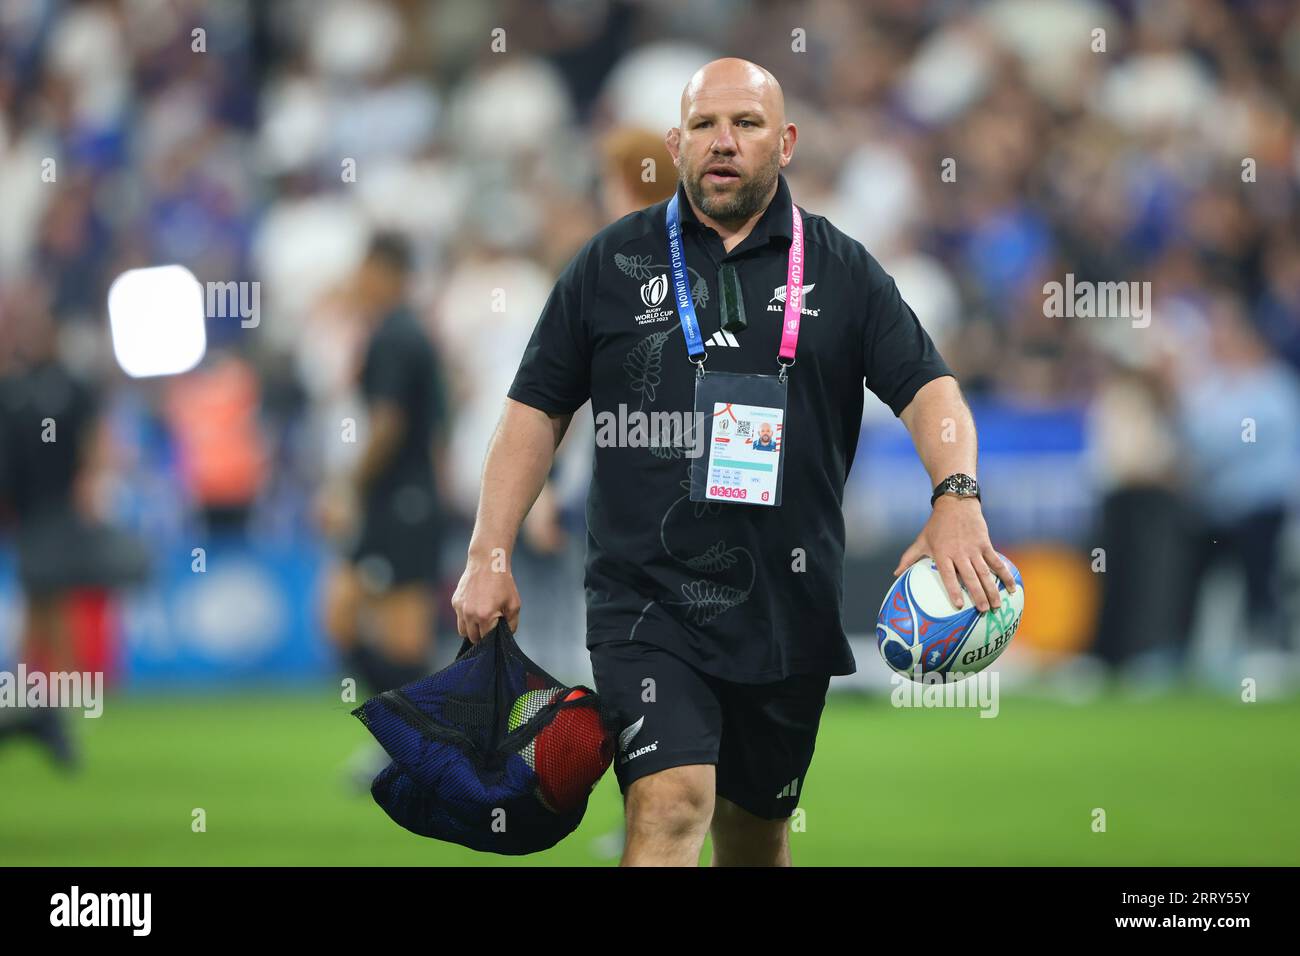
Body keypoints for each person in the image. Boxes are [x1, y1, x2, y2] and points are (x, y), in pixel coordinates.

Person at [452, 58, 1015, 866]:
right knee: (672, 803)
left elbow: (932, 391)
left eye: (747, 125)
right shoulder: (611, 264)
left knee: (755, 838)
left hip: (788, 606)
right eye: (707, 126)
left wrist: (957, 495)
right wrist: (488, 553)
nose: (725, 142)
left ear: (783, 143)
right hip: (645, 603)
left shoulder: (841, 268)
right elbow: (532, 412)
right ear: (678, 143)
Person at [319, 233, 449, 702]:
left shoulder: (394, 335)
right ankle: (411, 740)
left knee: (396, 633)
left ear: (388, 274)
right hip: (408, 497)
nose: (360, 281)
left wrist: (348, 486)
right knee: (353, 617)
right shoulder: (407, 332)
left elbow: (388, 425)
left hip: (402, 500)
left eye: (367, 270)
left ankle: (422, 742)